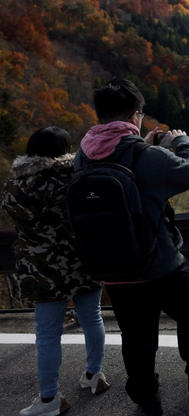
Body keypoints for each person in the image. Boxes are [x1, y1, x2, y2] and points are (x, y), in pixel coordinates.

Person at [74, 79, 189, 416]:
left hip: (113, 267)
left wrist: (141, 144)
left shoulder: (83, 155)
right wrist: (183, 144)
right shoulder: (146, 156)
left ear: (100, 115)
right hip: (159, 261)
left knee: (136, 336)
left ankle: (147, 400)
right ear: (136, 114)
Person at [1, 127, 110, 416]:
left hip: (42, 270)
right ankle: (94, 376)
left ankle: (50, 400)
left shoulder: (16, 187)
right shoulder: (79, 178)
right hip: (83, 261)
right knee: (92, 318)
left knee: (47, 335)